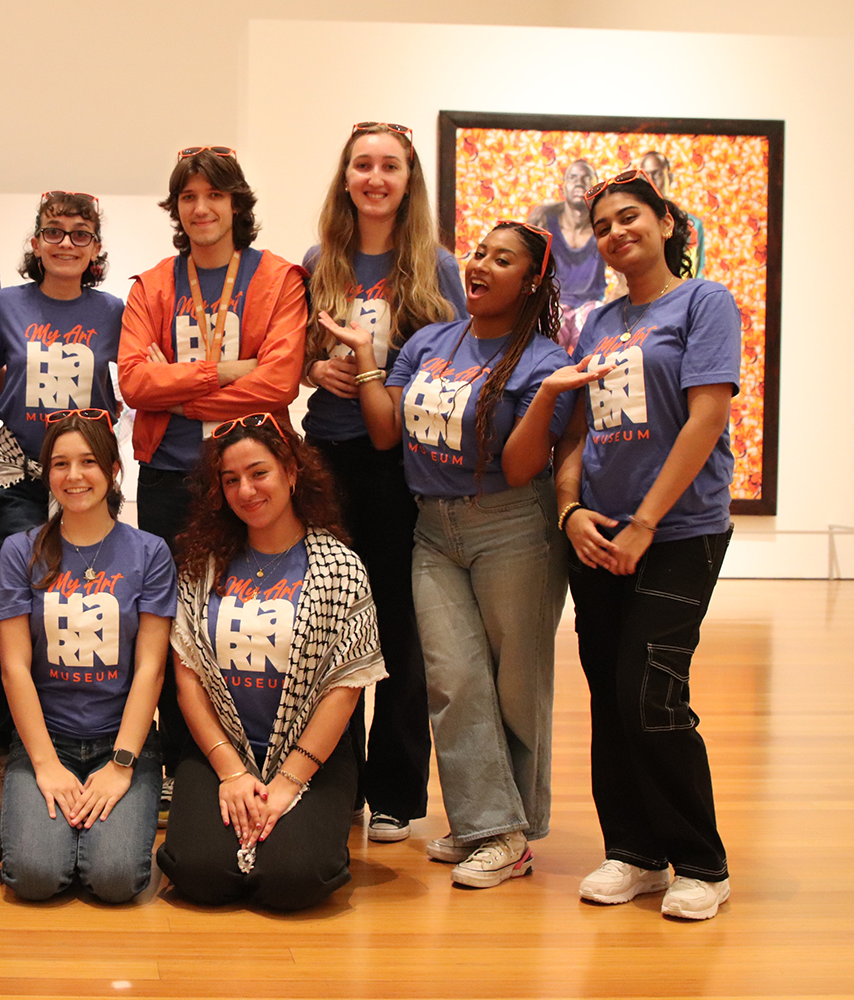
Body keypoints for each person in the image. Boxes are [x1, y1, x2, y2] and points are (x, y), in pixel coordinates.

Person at [332, 220, 604, 886]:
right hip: (432, 528)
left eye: (500, 259)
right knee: (452, 678)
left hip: (515, 528)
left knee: (516, 683)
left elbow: (518, 469)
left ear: (531, 281)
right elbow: (385, 431)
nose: (478, 265)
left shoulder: (542, 361)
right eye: (478, 253)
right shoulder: (429, 341)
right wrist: (368, 358)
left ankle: (503, 831)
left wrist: (542, 399)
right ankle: (490, 823)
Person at [559, 168, 740, 920]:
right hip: (598, 532)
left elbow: (705, 420)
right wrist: (569, 508)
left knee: (649, 687)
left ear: (666, 224)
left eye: (630, 218)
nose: (615, 233)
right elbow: (577, 427)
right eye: (602, 225)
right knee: (609, 692)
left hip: (679, 531)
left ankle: (702, 861)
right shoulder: (596, 323)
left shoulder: (706, 302)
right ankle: (633, 852)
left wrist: (645, 524)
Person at [116, 145, 308, 810]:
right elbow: (134, 382)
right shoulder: (151, 284)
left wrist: (177, 391)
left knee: (248, 613)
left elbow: (280, 380)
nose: (201, 208)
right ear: (177, 209)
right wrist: (226, 373)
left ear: (236, 204)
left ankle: (259, 754)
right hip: (171, 475)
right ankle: (176, 764)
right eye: (189, 197)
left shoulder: (279, 278)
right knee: (172, 621)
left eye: (214, 196)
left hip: (253, 474)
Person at [302, 121, 464, 845]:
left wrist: (377, 374)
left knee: (398, 624)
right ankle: (332, 779)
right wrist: (317, 370)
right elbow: (296, 351)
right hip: (327, 458)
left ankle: (396, 789)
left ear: (408, 180)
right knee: (330, 620)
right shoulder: (320, 260)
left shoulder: (438, 265)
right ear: (345, 178)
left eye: (388, 166)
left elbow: (461, 364)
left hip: (400, 467)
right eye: (361, 165)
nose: (374, 177)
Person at [156, 414, 386, 911]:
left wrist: (287, 783)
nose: (246, 490)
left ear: (291, 472)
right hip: (224, 749)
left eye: (259, 473)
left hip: (309, 757)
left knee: (292, 880)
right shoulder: (202, 563)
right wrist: (232, 772)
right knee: (199, 874)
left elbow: (345, 688)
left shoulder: (339, 568)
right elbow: (188, 680)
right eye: (231, 479)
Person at [0, 411, 174, 902]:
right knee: (34, 877)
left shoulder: (150, 552)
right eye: (60, 464)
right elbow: (13, 668)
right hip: (45, 740)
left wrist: (120, 763)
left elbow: (151, 668)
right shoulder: (20, 550)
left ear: (114, 468)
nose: (74, 477)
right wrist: (45, 763)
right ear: (46, 473)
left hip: (122, 742)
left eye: (88, 462)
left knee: (114, 881)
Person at [0, 191, 123, 549]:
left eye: (80, 234)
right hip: (19, 470)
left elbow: (134, 383)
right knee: (26, 572)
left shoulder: (113, 312)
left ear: (95, 248)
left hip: (88, 470)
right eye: (54, 231)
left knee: (84, 579)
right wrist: (26, 392)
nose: (66, 243)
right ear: (36, 243)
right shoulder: (6, 304)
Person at [527, 158, 607, 351]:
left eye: (586, 177)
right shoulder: (543, 221)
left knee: (591, 339)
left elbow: (624, 279)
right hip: (552, 302)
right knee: (546, 346)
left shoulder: (604, 224)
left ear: (596, 187)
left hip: (591, 304)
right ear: (563, 188)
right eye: (573, 177)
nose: (579, 182)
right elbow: (527, 268)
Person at [639, 152, 707, 278]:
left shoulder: (692, 224)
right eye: (645, 175)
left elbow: (698, 270)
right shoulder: (634, 224)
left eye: (656, 174)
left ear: (669, 177)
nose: (651, 180)